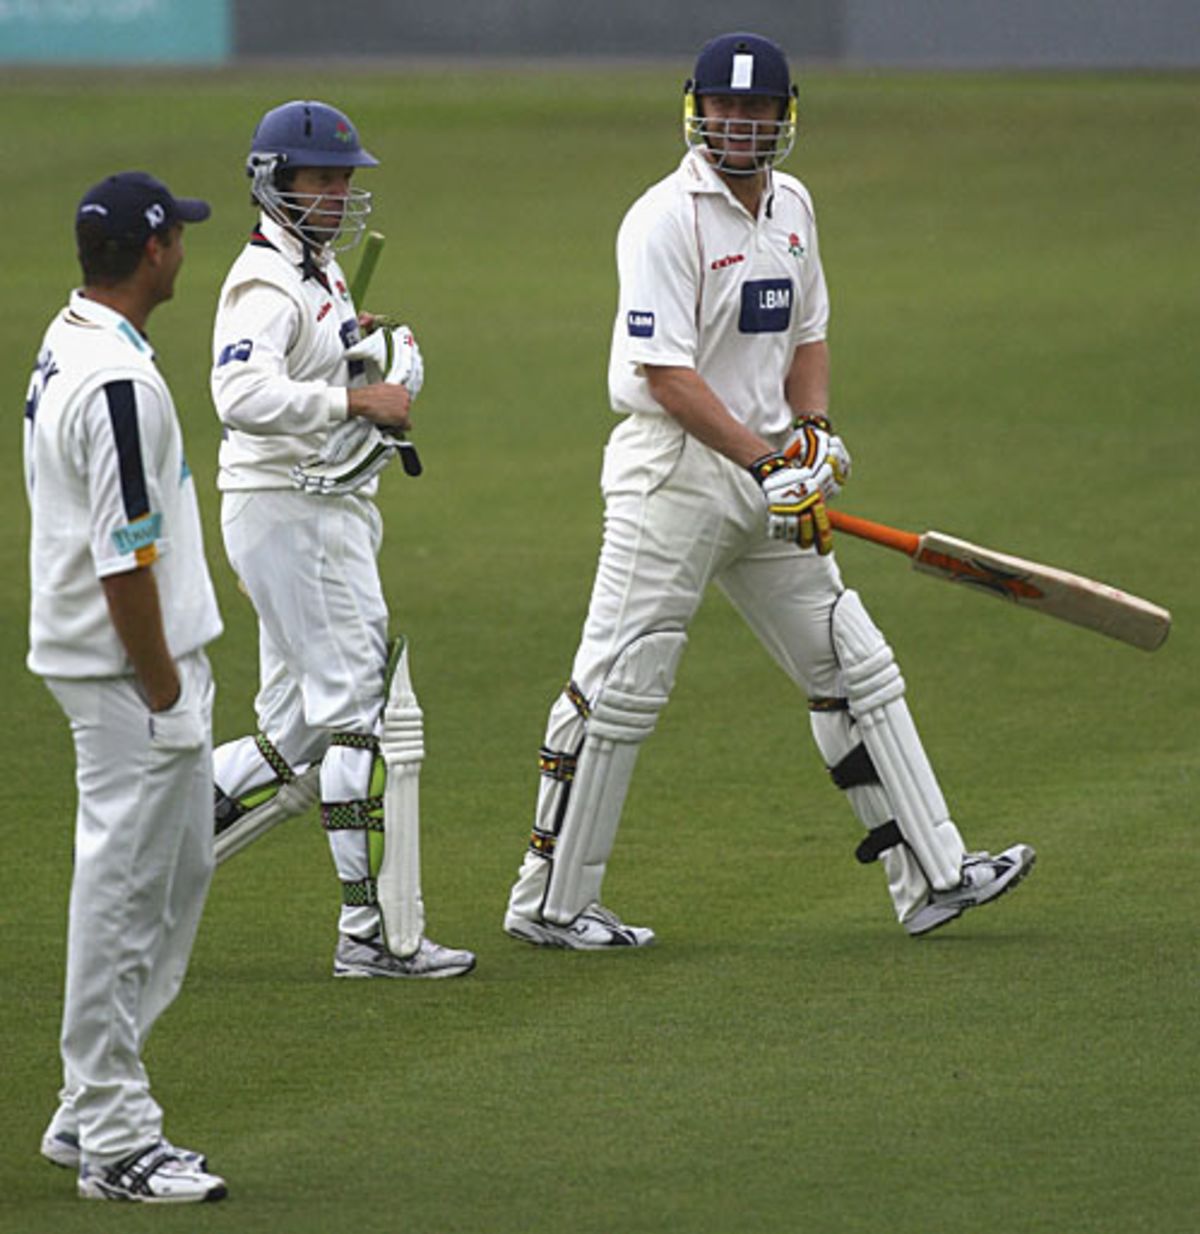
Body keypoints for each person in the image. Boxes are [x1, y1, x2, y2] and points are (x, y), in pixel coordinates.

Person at [503, 32, 1036, 950]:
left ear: (785, 118)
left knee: (848, 659)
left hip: (772, 476)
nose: (742, 125)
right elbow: (666, 372)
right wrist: (765, 462)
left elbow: (809, 336)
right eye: (726, 108)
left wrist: (815, 434)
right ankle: (547, 902)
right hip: (672, 474)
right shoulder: (662, 218)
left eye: (759, 110)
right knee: (621, 685)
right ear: (697, 111)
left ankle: (934, 876)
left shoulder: (793, 204)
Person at [209, 99, 475, 979]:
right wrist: (355, 400)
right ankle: (369, 937)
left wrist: (370, 355)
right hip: (294, 511)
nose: (338, 194)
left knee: (291, 738)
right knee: (361, 716)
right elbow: (239, 397)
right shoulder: (263, 285)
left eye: (345, 179)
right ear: (275, 183)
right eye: (322, 179)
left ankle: (143, 863)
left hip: (311, 509)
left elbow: (318, 364)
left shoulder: (317, 270)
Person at [25, 171, 228, 1202]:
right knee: (122, 888)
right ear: (152, 252)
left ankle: (86, 1101)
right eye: (179, 239)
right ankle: (113, 1134)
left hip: (125, 664)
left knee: (175, 874)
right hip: (123, 673)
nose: (187, 250)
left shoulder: (76, 339)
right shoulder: (118, 386)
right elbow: (124, 560)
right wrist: (161, 689)